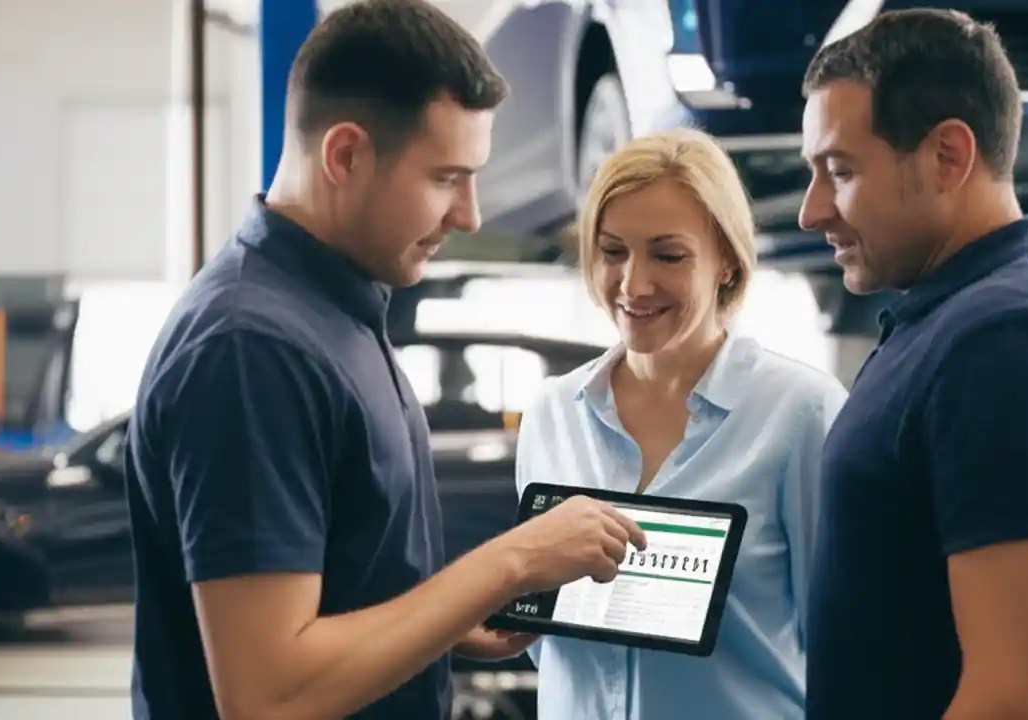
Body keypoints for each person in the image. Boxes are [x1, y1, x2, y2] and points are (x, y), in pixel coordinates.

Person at [122, 2, 646, 719]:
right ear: (344, 155)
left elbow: (342, 588)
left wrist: (447, 625)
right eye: (446, 178)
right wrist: (512, 563)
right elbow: (268, 695)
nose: (469, 215)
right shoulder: (251, 351)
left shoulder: (335, 308)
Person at [798, 9, 1028, 720]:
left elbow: (1024, 702)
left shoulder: (1018, 339)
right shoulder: (954, 324)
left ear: (947, 156)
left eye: (839, 171)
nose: (811, 211)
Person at [514, 127, 848, 720]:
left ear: (725, 261)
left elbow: (845, 645)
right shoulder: (550, 416)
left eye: (668, 255)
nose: (633, 284)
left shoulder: (800, 412)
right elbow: (551, 640)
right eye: (613, 252)